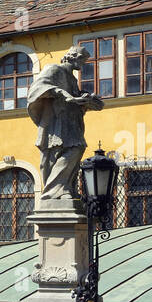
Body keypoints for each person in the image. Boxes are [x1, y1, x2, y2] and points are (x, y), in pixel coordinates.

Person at [26, 46, 104, 201]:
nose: (83, 64)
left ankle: (65, 188)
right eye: (82, 59)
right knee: (62, 152)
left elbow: (74, 99)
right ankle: (54, 191)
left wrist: (86, 100)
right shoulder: (54, 69)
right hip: (56, 123)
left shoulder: (72, 79)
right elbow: (39, 88)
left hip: (71, 122)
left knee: (76, 149)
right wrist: (67, 96)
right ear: (73, 56)